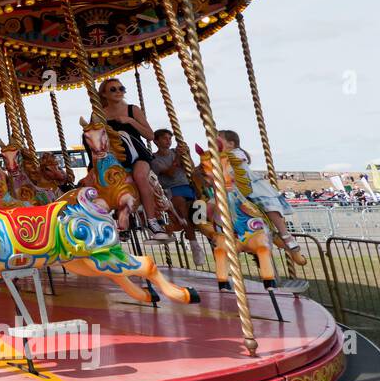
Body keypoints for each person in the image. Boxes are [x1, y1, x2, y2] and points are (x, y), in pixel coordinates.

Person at [96, 78, 169, 234]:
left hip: (137, 154)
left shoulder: (132, 110)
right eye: (113, 89)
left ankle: (151, 220)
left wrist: (129, 121)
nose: (118, 92)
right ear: (104, 94)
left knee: (140, 175)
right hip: (114, 156)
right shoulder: (100, 114)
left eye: (121, 89)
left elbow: (149, 135)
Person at [217, 130, 304, 256]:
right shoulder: (219, 157)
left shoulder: (237, 153)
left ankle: (285, 234)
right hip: (230, 188)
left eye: (218, 140)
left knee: (268, 205)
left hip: (248, 184)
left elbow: (235, 164)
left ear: (231, 144)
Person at [151, 129, 206, 265]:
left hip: (187, 187)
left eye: (170, 138)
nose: (168, 141)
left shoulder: (176, 152)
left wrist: (187, 154)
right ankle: (194, 245)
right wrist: (178, 158)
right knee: (182, 210)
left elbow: (191, 168)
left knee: (202, 209)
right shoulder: (154, 159)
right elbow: (170, 173)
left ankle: (204, 235)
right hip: (171, 190)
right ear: (156, 141)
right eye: (165, 138)